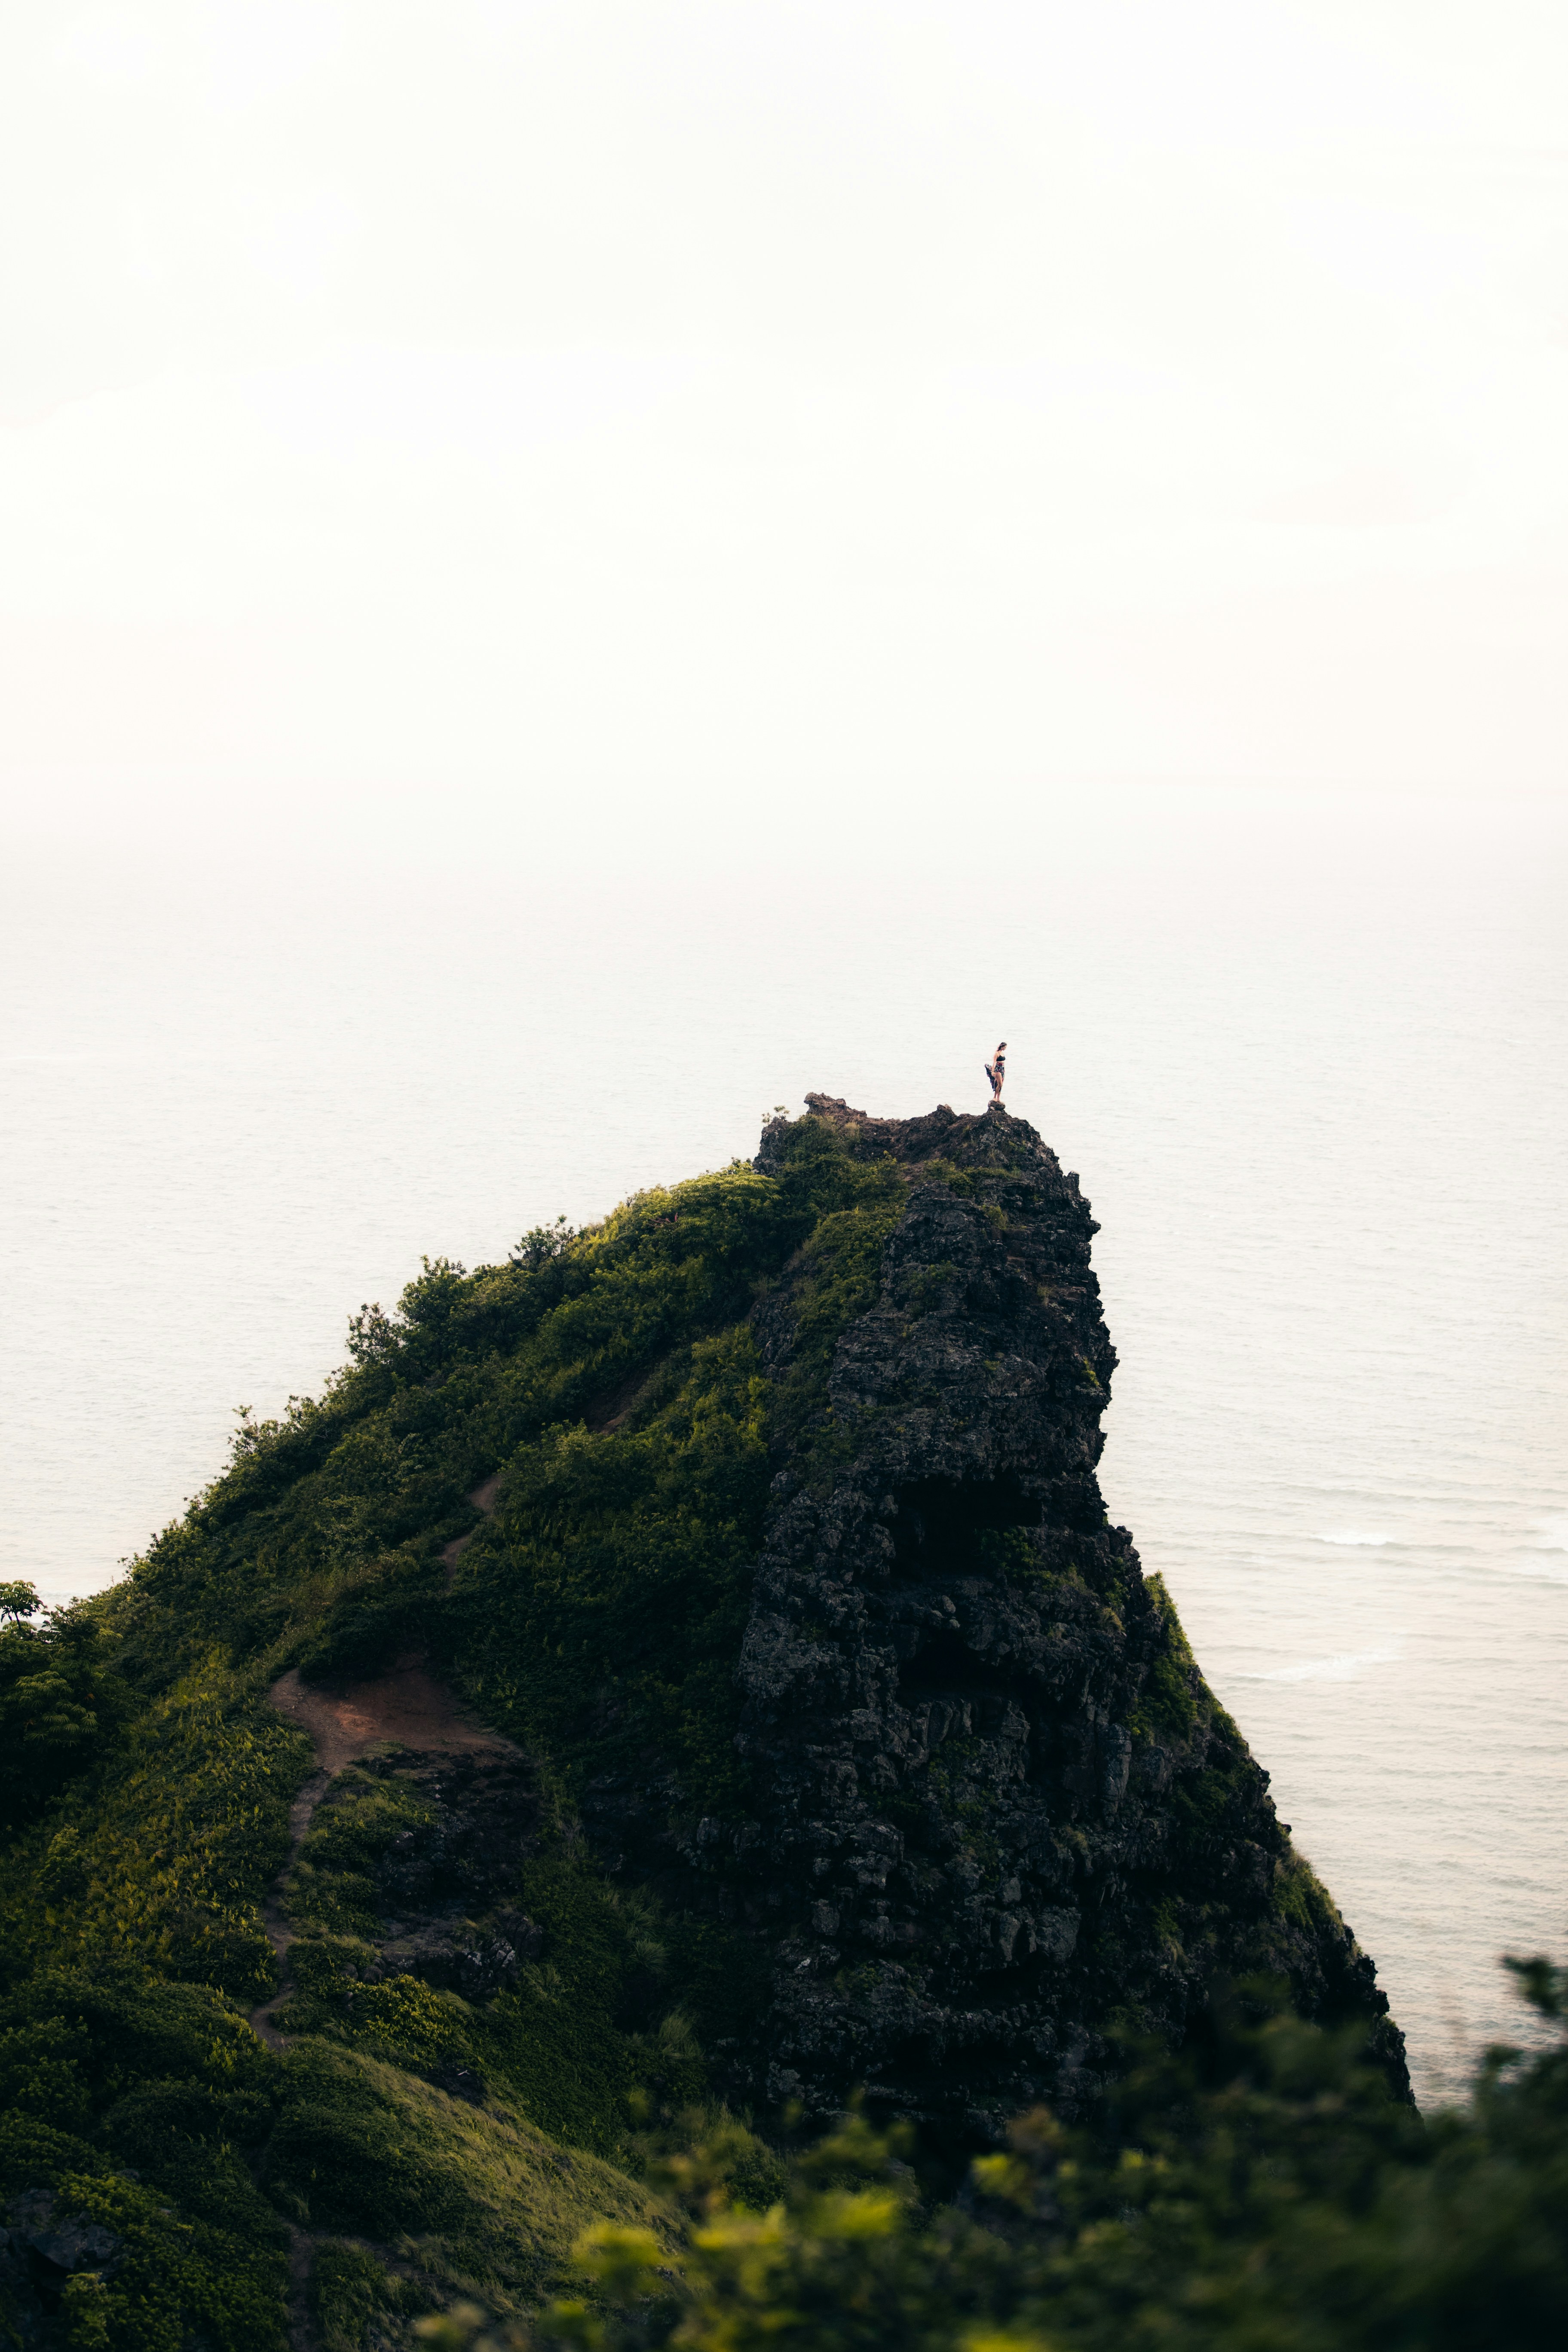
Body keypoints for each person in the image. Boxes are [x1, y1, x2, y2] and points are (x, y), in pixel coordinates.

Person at [984, 1041, 1006, 1105]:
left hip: (1002, 1069)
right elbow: (994, 1062)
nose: (1005, 1048)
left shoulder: (1002, 1053)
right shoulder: (997, 1053)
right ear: (1002, 1046)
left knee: (1001, 1085)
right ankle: (994, 1097)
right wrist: (993, 1071)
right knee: (1000, 1084)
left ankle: (998, 1099)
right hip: (998, 1069)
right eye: (1004, 1047)